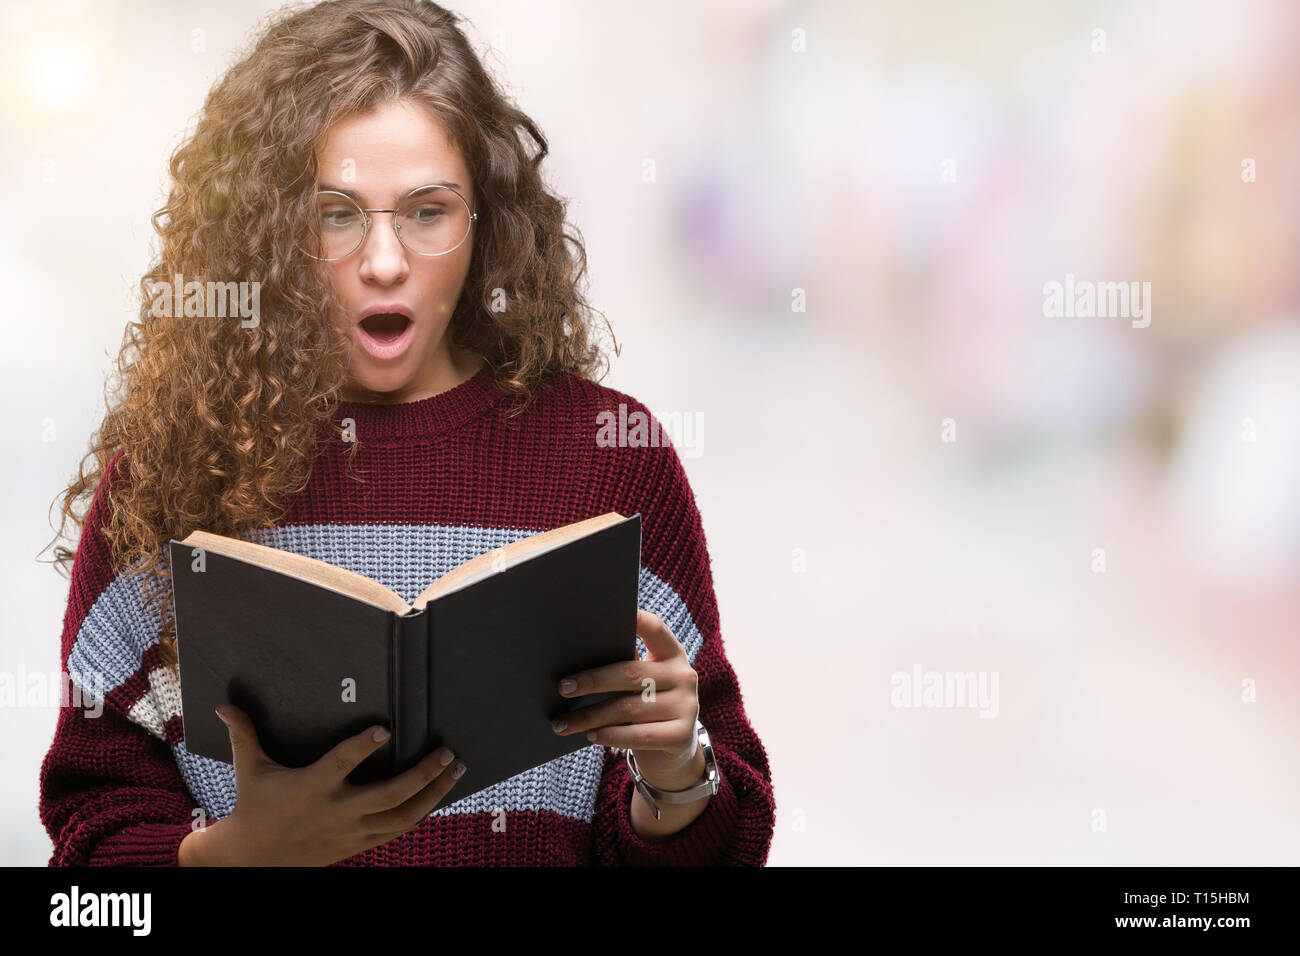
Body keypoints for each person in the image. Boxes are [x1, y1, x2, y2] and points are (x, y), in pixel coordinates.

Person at [37, 0, 775, 866]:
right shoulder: (164, 483)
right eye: (336, 214)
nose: (384, 261)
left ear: (486, 222)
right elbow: (86, 886)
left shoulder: (611, 457)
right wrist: (236, 855)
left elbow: (723, 849)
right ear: (264, 234)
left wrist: (676, 771)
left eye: (427, 212)